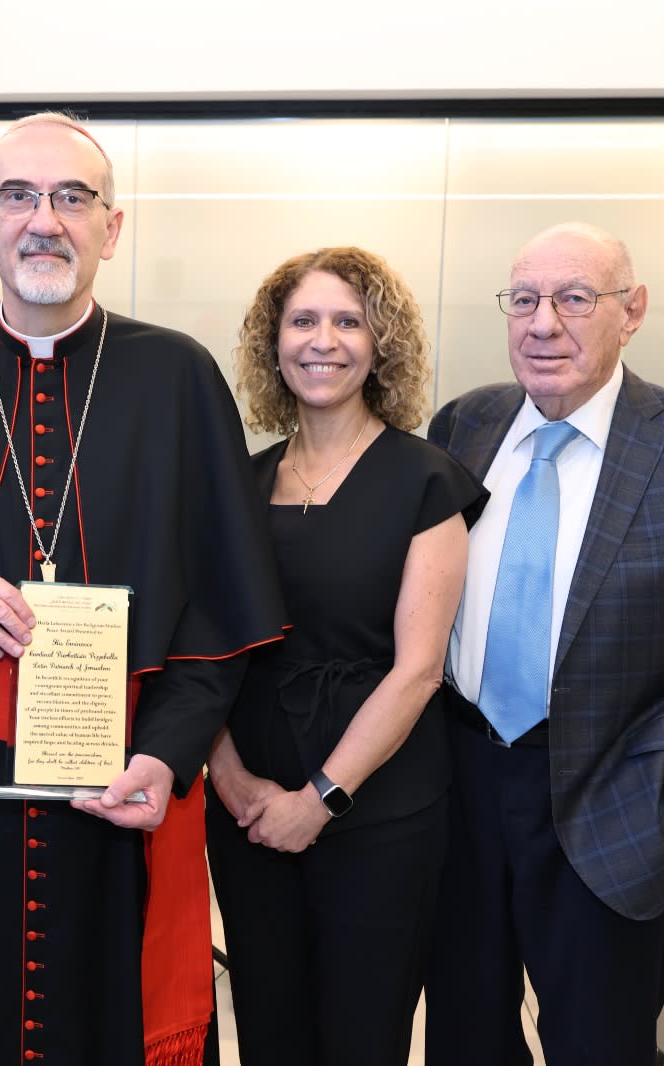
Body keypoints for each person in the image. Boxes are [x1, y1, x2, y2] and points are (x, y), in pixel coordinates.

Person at [0, 112, 287, 1066]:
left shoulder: (178, 378)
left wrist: (166, 758)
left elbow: (218, 608)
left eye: (72, 197)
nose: (44, 220)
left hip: (124, 774)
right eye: (17, 196)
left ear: (111, 228)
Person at [423, 222, 664, 1065]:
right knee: (462, 1035)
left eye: (574, 298)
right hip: (461, 786)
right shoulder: (465, 426)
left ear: (633, 312)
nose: (543, 323)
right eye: (523, 300)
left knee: (600, 1046)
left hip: (612, 797)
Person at [204, 247, 485, 1066]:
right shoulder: (239, 485)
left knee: (361, 1033)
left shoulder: (428, 483)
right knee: (267, 1023)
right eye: (302, 320)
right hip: (247, 807)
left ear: (379, 343)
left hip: (379, 810)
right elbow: (203, 650)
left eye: (347, 321)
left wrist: (320, 799)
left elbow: (419, 670)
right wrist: (232, 780)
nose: (322, 341)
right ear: (273, 342)